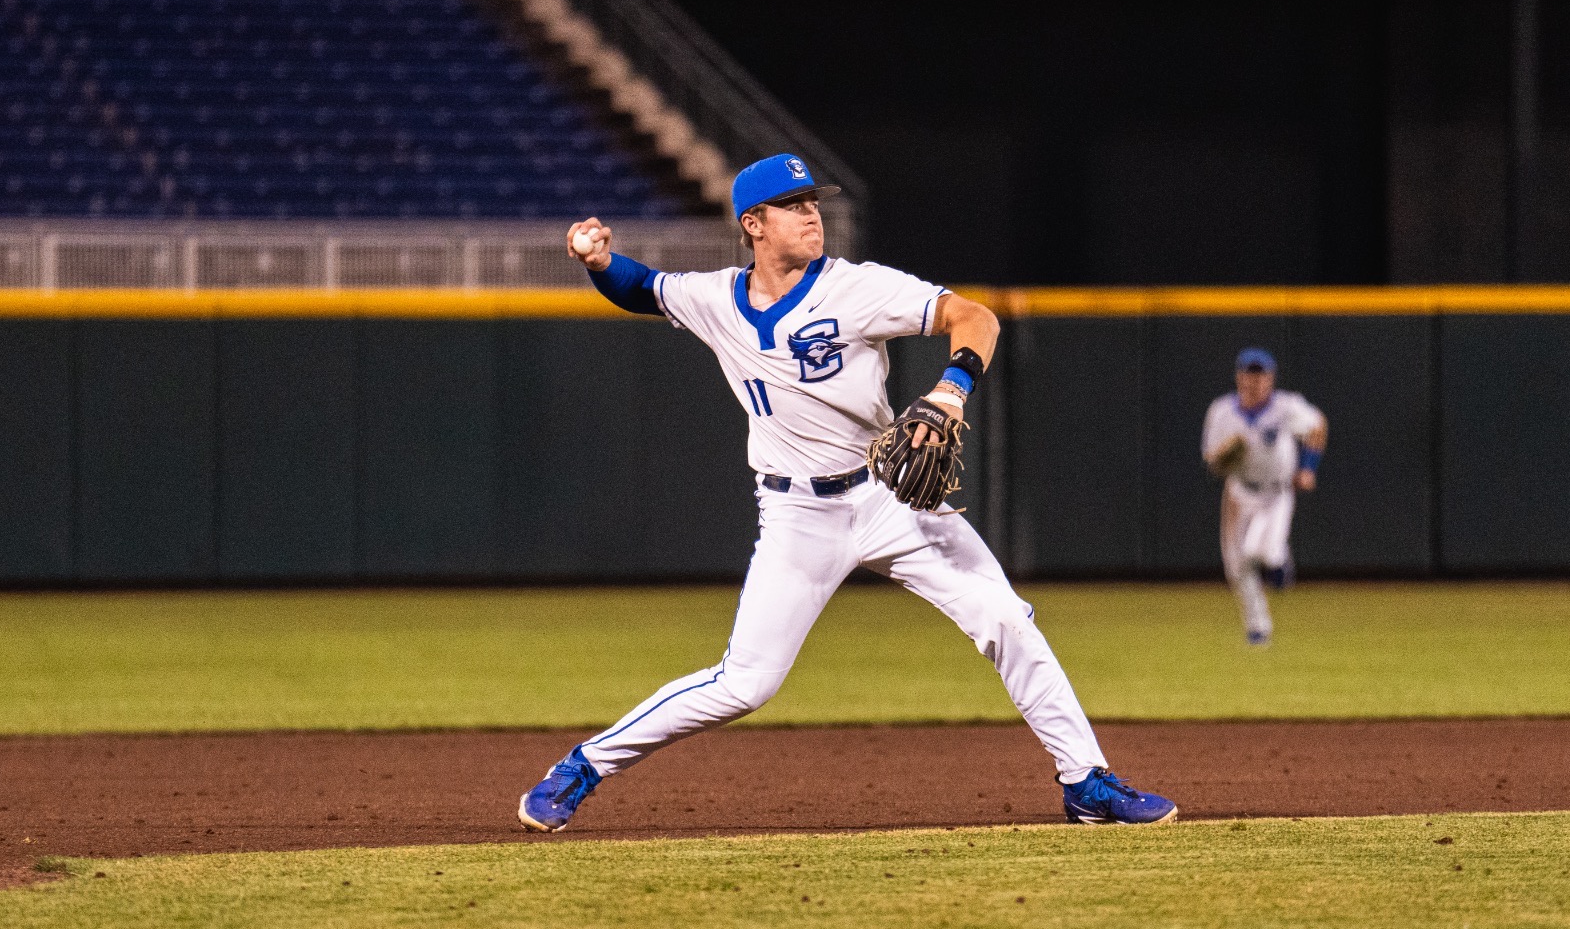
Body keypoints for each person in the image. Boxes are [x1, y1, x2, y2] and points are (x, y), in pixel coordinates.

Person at [518, 153, 1177, 832]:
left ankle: (1085, 781)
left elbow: (976, 317)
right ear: (753, 224)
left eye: (814, 202)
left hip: (890, 496)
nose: (813, 214)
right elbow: (644, 288)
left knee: (1006, 619)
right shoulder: (716, 299)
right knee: (746, 683)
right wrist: (599, 261)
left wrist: (951, 390)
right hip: (797, 514)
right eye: (794, 205)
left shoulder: (858, 288)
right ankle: (582, 766)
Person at [1201, 348, 1328, 647]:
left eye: (1260, 375)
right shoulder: (1221, 411)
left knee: (1260, 552)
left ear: (1270, 379)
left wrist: (1308, 469)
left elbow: (1318, 426)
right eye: (1249, 374)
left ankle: (1279, 561)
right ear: (1239, 377)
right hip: (1239, 492)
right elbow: (1212, 460)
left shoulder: (1286, 407)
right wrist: (1222, 457)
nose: (1254, 381)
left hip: (1276, 492)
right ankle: (1258, 628)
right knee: (1237, 566)